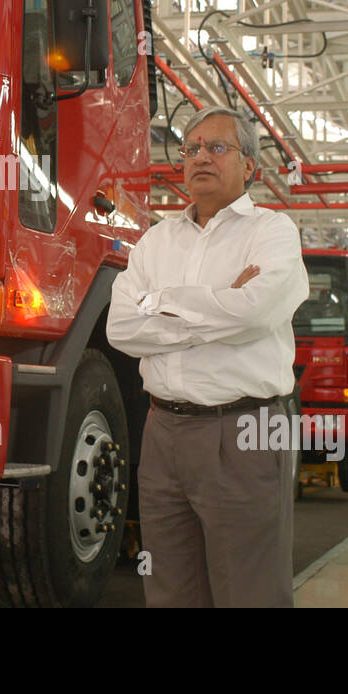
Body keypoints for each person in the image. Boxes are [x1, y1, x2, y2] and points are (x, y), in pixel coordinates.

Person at [106, 105, 308, 607]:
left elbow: (255, 312)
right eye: (191, 148)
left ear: (249, 166)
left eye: (217, 147)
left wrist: (162, 303)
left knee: (249, 592)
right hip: (163, 435)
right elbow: (121, 328)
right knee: (170, 591)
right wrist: (214, 311)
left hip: (242, 431)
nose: (200, 157)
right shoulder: (155, 240)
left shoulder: (272, 233)